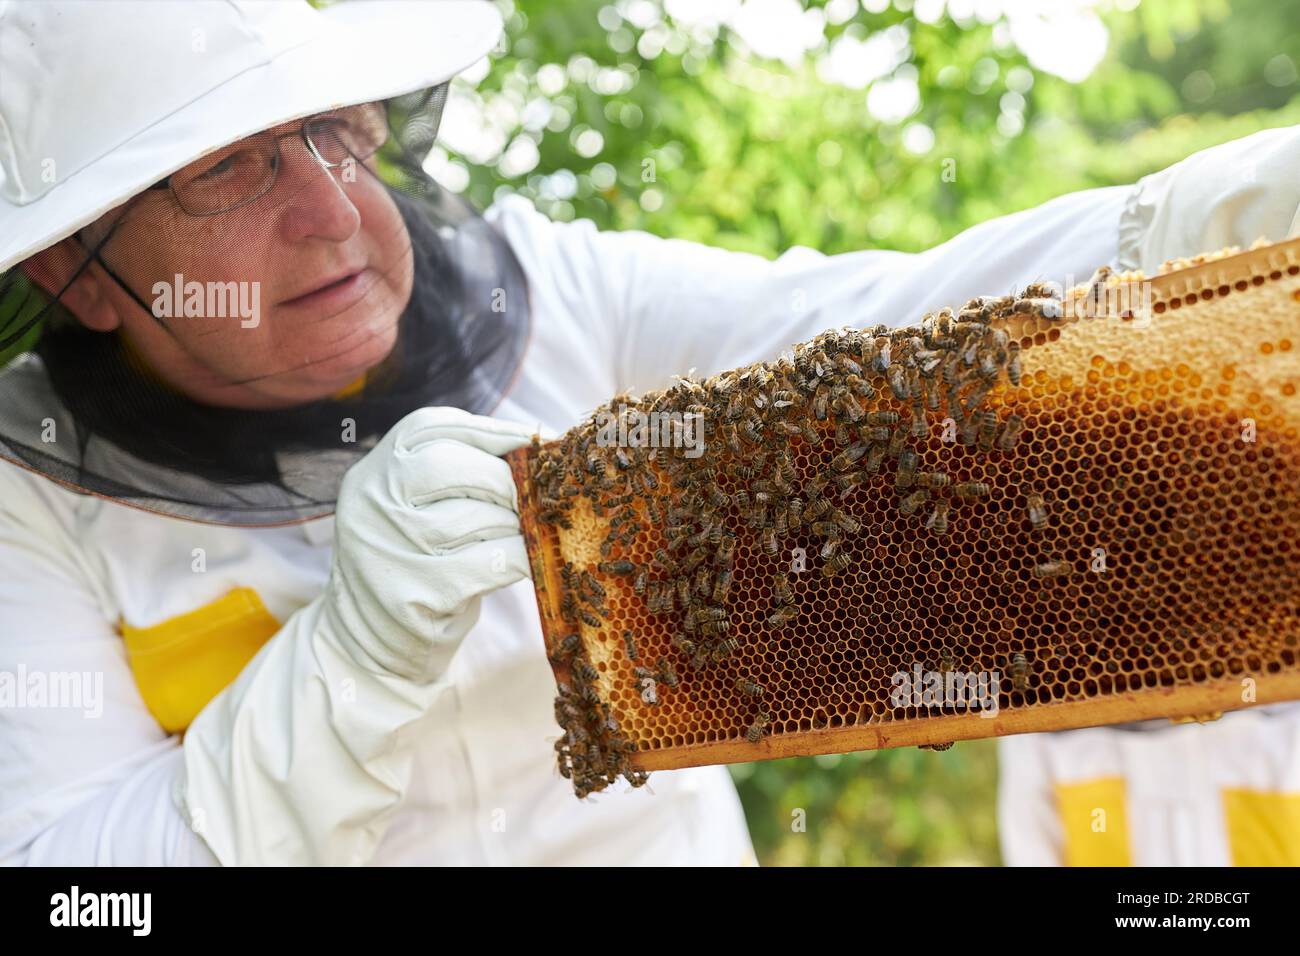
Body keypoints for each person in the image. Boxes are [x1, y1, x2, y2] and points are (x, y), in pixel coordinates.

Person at [1, 0, 1297, 866]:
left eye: (332, 131)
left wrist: (1204, 220)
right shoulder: (28, 510)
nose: (334, 214)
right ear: (79, 270)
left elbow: (886, 328)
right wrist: (348, 661)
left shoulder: (566, 300)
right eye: (227, 168)